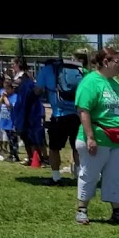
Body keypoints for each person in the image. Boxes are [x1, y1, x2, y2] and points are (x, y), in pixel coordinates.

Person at [73, 47, 119, 226]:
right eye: (117, 61)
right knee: (89, 174)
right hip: (97, 137)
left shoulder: (116, 84)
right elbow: (83, 110)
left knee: (114, 176)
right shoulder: (90, 82)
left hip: (118, 139)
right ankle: (82, 210)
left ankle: (117, 211)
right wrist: (90, 137)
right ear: (105, 62)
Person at [36, 49, 90, 185]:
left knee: (54, 148)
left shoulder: (48, 70)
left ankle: (56, 177)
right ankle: (79, 177)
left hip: (59, 114)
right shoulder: (80, 70)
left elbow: (37, 90)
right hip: (78, 114)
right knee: (77, 147)